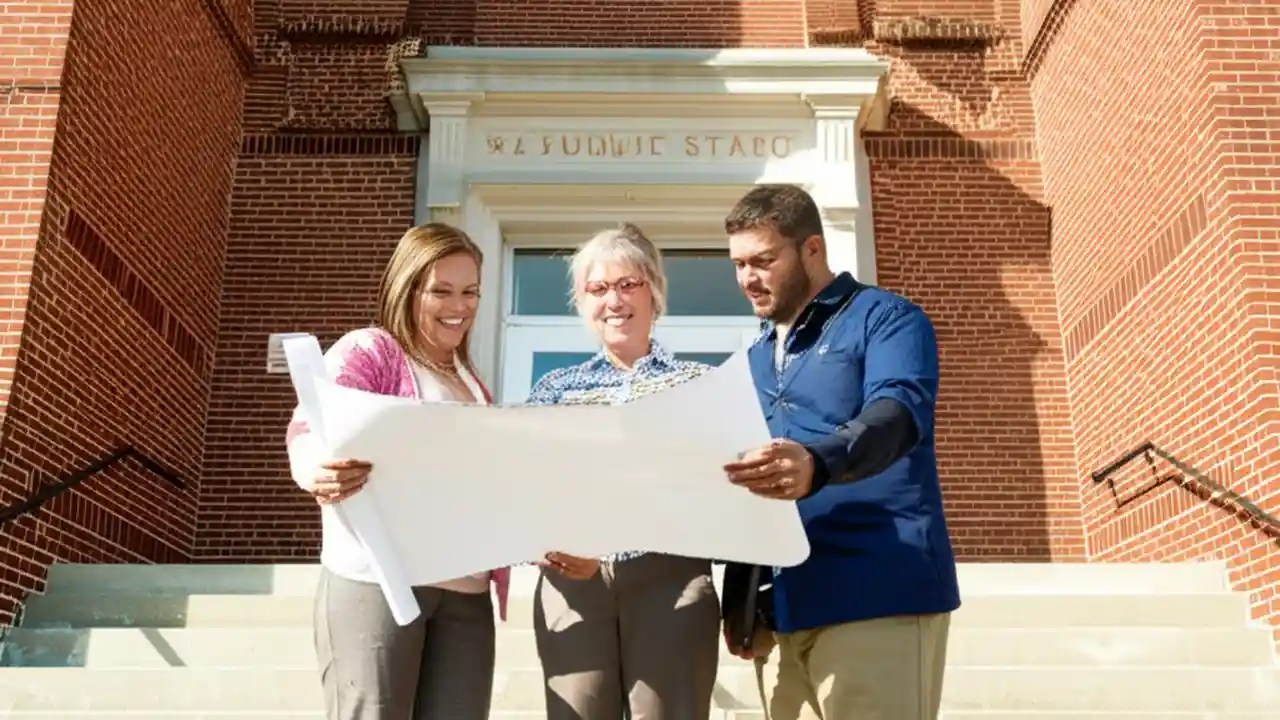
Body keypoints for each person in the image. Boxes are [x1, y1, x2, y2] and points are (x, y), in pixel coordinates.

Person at [718, 184, 960, 720]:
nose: (747, 279)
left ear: (811, 249)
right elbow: (744, 479)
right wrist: (740, 599)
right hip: (780, 611)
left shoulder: (887, 318)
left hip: (876, 590)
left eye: (762, 261)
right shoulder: (752, 358)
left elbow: (896, 414)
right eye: (738, 264)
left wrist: (819, 461)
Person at [283, 222, 509, 720]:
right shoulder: (372, 351)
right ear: (408, 289)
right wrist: (315, 469)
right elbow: (310, 426)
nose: (460, 306)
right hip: (380, 583)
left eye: (470, 291)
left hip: (466, 599)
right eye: (442, 291)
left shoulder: (474, 385)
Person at [524, 223, 721, 720]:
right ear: (583, 303)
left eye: (628, 284)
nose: (614, 300)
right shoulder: (554, 388)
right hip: (573, 580)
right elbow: (527, 486)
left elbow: (720, 494)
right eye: (598, 288)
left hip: (671, 578)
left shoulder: (700, 385)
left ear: (654, 291)